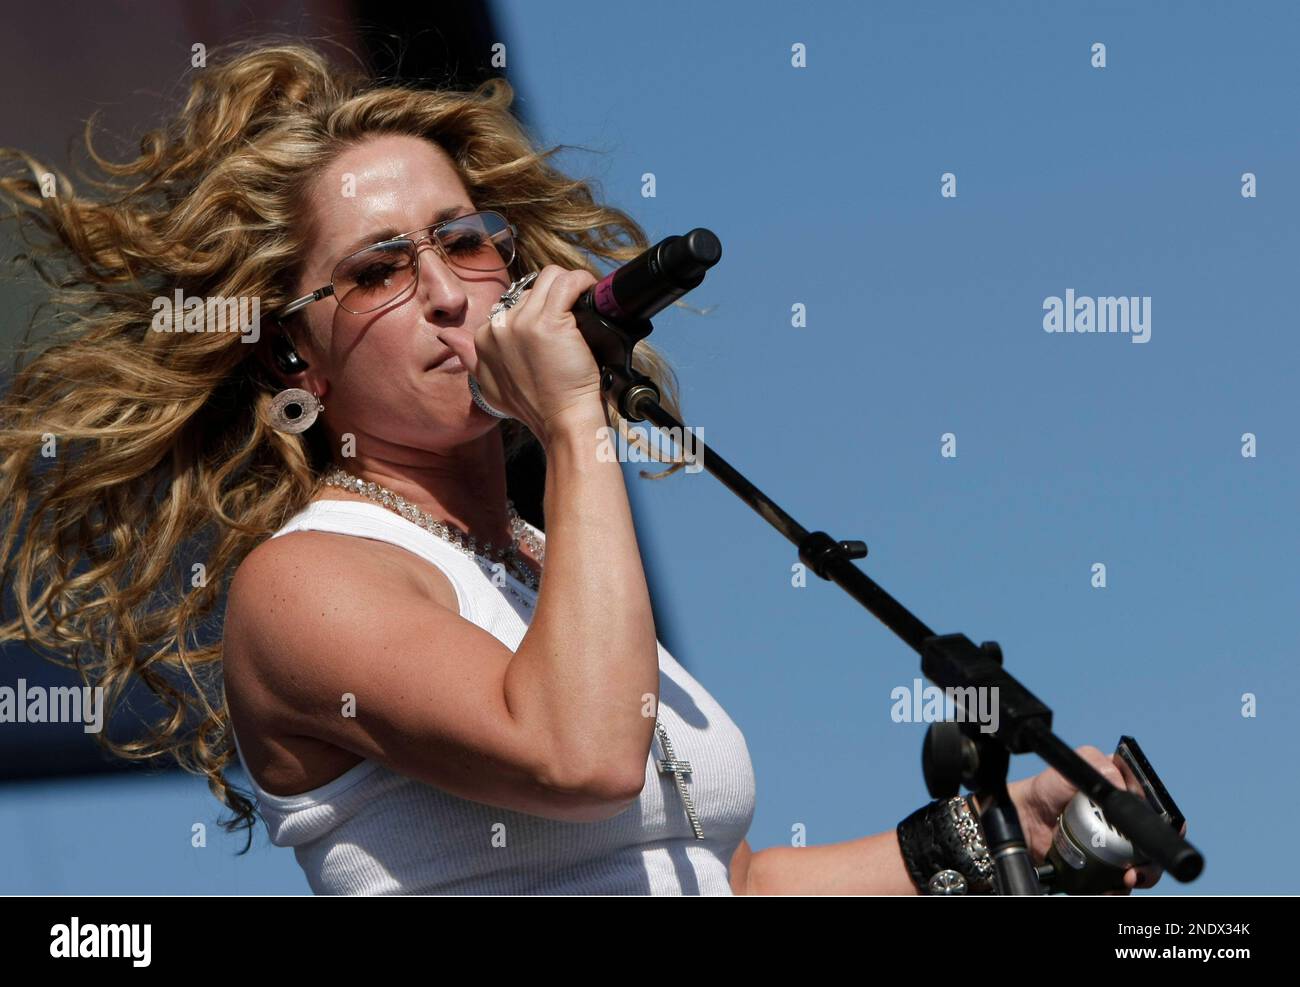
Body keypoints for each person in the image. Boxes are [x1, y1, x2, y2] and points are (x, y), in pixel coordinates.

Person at [0, 38, 1175, 895]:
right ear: (285, 351)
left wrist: (991, 833)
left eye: (465, 241)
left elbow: (728, 880)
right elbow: (581, 755)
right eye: (379, 269)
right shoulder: (307, 585)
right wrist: (573, 427)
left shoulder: (546, 565)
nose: (452, 290)